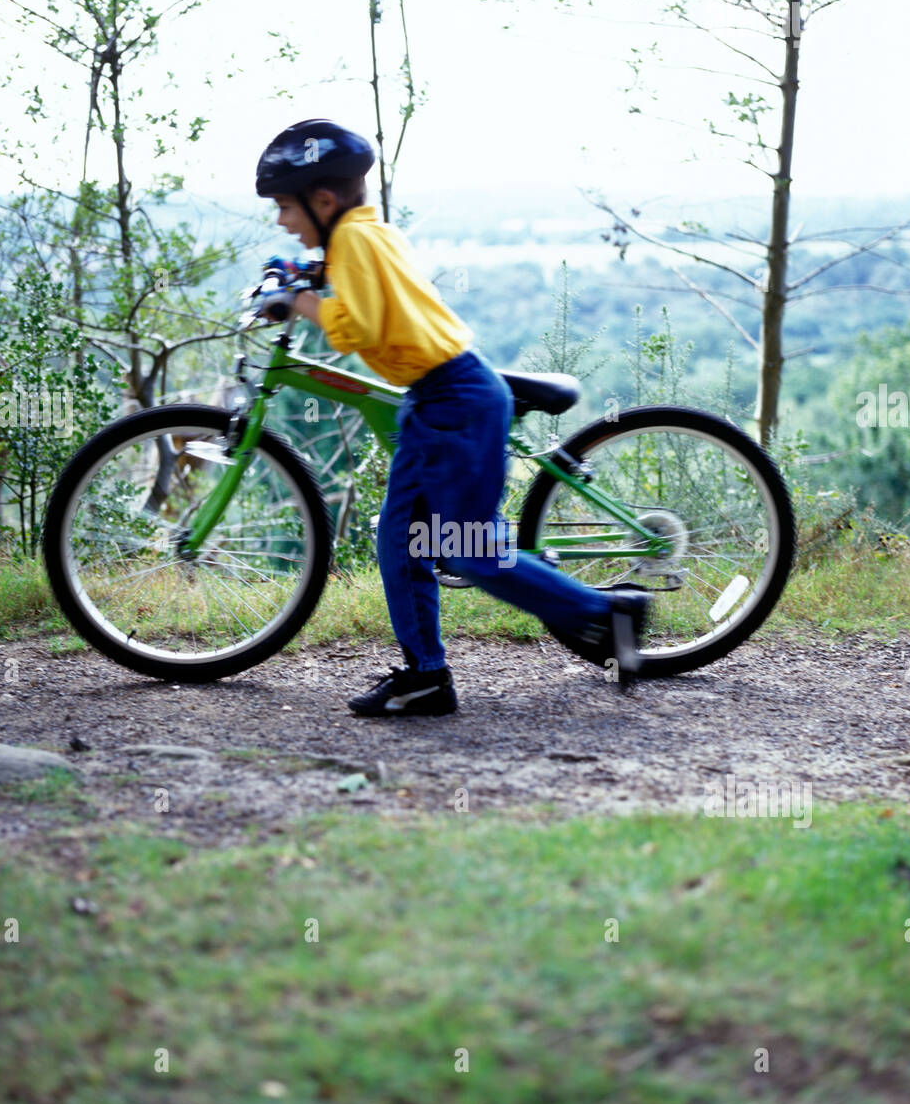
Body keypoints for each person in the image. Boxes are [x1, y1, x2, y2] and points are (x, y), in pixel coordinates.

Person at [255, 118, 648, 717]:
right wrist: (304, 274)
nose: (283, 221)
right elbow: (359, 291)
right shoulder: (364, 236)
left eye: (286, 207)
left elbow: (355, 326)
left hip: (452, 400)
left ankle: (606, 612)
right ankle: (426, 676)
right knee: (402, 540)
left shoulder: (355, 244)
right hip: (440, 399)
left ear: (324, 199)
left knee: (465, 549)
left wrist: (298, 301)